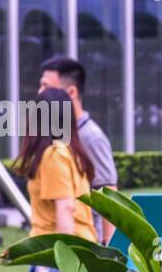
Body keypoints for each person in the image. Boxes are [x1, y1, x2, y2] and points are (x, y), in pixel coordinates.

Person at [14, 86, 97, 272]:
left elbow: (65, 207)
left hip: (55, 253)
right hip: (72, 250)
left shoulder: (54, 155)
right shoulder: (70, 152)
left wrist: (60, 266)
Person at [38, 55, 118, 243]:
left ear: (71, 92)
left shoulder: (91, 137)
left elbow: (108, 193)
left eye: (46, 86)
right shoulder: (57, 134)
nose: (40, 91)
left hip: (83, 246)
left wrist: (111, 249)